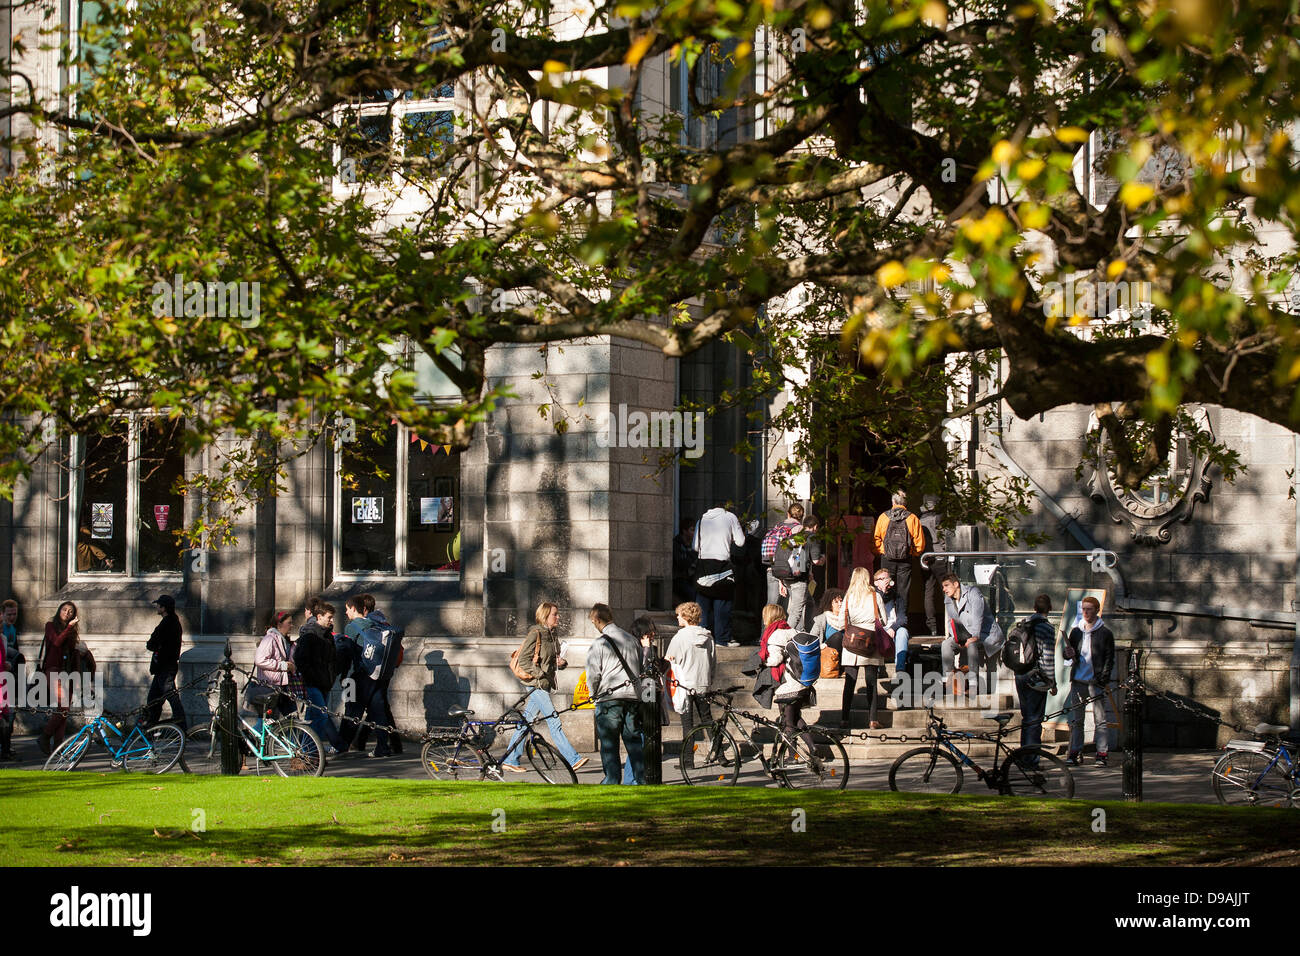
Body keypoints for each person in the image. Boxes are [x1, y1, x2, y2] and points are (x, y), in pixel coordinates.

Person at [500, 602, 588, 774]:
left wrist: (560, 663)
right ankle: (573, 759)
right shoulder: (536, 633)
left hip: (545, 684)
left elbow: (551, 660)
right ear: (545, 616)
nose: (558, 617)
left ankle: (510, 759)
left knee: (526, 722)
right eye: (555, 614)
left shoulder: (552, 634)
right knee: (554, 720)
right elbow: (524, 661)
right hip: (536, 684)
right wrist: (539, 673)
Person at [585, 603, 645, 784]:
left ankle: (611, 779)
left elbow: (593, 674)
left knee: (609, 743)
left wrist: (593, 694)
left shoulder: (600, 643)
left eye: (593, 621)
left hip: (609, 699)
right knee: (634, 742)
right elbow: (640, 669)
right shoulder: (632, 640)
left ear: (596, 620)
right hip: (632, 697)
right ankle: (641, 779)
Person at [1063, 596, 1116, 767]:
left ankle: (1102, 753)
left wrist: (1103, 679)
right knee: (1077, 720)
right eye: (1083, 609)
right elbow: (1068, 655)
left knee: (1100, 719)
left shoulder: (1105, 633)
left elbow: (1109, 659)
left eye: (1089, 609)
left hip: (1095, 681)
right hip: (1078, 681)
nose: (1085, 612)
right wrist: (1068, 653)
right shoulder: (1076, 631)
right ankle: (1075, 751)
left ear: (1096, 610)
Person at [338, 596, 392, 758]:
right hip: (376, 674)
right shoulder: (375, 624)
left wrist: (343, 675)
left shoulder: (351, 627)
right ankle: (383, 746)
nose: (346, 612)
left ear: (354, 608)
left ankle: (342, 745)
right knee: (378, 710)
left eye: (347, 609)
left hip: (359, 675)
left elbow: (347, 653)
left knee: (352, 709)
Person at [761, 604, 819, 749]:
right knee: (796, 717)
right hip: (801, 682)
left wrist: (762, 662)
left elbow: (775, 659)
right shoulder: (792, 630)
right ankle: (812, 747)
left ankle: (792, 755)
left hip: (788, 685)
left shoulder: (775, 634)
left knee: (788, 722)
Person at [665, 602, 715, 769]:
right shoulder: (708, 636)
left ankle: (688, 761)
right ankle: (720, 753)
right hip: (703, 683)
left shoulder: (679, 637)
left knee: (688, 725)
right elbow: (713, 661)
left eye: (679, 615)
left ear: (686, 617)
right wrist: (709, 679)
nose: (677, 617)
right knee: (708, 719)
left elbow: (669, 662)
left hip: (685, 685)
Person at [351, 594, 402, 754]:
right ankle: (366, 741)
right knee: (378, 707)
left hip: (371, 671)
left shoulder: (368, 625)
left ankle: (386, 743)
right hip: (385, 669)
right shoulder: (382, 621)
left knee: (377, 707)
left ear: (364, 609)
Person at [940, 573, 1005, 695]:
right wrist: (957, 638)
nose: (944, 589)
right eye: (943, 586)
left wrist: (974, 636)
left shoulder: (973, 592)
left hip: (985, 634)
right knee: (946, 644)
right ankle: (947, 682)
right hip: (964, 635)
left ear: (956, 584)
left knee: (972, 644)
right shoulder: (948, 600)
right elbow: (951, 622)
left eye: (946, 585)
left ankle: (973, 684)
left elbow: (978, 616)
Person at [692, 500, 745, 647]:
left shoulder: (702, 519)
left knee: (702, 603)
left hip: (703, 564)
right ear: (724, 508)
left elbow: (695, 546)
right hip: (722, 564)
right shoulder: (730, 517)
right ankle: (722, 639)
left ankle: (701, 638)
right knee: (723, 602)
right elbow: (741, 541)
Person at [294, 600, 344, 753]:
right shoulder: (310, 635)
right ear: (319, 616)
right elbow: (300, 659)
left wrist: (332, 674)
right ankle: (309, 751)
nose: (331, 620)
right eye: (329, 617)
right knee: (321, 717)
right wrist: (313, 676)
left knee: (312, 716)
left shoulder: (328, 636)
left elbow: (332, 659)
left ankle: (306, 750)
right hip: (313, 683)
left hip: (325, 683)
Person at [873, 491, 925, 630]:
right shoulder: (912, 518)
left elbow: (876, 539)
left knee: (884, 588)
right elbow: (919, 543)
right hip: (905, 560)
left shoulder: (883, 517)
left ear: (893, 502)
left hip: (887, 559)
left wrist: (881, 552)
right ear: (905, 503)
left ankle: (885, 623)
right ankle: (901, 624)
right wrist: (912, 553)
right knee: (903, 592)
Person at [841, 567, 885, 729]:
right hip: (870, 640)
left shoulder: (848, 597)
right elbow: (884, 620)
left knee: (849, 683)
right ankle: (873, 719)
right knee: (871, 682)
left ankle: (844, 718)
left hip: (852, 641)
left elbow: (841, 621)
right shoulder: (875, 596)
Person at [1016, 594, 1058, 759]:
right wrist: (1052, 683)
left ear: (1034, 608)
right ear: (1050, 608)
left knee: (1026, 717)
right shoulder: (1047, 628)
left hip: (1020, 674)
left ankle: (1022, 755)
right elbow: (1047, 658)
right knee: (1035, 719)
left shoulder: (1023, 624)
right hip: (1036, 677)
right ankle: (1031, 758)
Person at [36, 602, 81, 754]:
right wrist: (69, 628)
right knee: (63, 707)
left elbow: (73, 655)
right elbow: (56, 642)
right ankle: (45, 736)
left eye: (70, 611)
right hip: (53, 670)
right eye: (64, 610)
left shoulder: (71, 631)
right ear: (59, 611)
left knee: (63, 711)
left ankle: (58, 746)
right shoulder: (50, 625)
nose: (67, 613)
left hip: (66, 672)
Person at [143, 594, 187, 730]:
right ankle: (151, 728)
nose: (156, 607)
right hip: (164, 667)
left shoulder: (168, 623)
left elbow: (151, 643)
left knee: (170, 695)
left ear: (164, 608)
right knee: (153, 699)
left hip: (166, 666)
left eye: (159, 605)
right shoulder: (172, 622)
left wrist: (156, 646)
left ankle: (181, 726)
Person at [775, 512, 823, 632]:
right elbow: (816, 561)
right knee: (796, 612)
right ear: (815, 526)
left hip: (787, 577)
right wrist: (823, 558)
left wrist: (781, 582)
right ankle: (783, 639)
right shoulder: (812, 537)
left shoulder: (794, 537)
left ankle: (809, 633)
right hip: (799, 580)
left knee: (810, 604)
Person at [253, 611, 296, 729]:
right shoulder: (270, 639)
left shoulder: (284, 640)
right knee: (266, 722)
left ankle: (294, 745)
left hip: (282, 685)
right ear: (279, 624)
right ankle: (247, 742)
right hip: (270, 686)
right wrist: (283, 666)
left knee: (291, 718)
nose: (292, 626)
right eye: (289, 623)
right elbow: (260, 660)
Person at [763, 503, 804, 607]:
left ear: (788, 514)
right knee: (793, 606)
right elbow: (798, 552)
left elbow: (772, 549)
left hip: (771, 568)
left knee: (771, 605)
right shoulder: (799, 529)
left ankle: (766, 623)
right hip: (788, 572)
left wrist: (773, 565)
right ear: (802, 516)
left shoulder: (778, 526)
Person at [874, 568, 911, 678]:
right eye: (883, 578)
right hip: (878, 628)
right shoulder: (872, 596)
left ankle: (900, 669)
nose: (887, 580)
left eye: (888, 578)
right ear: (876, 582)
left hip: (893, 629)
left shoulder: (897, 597)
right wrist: (882, 592)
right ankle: (879, 667)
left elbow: (902, 618)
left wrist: (893, 628)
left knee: (903, 632)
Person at [917, 495, 945, 635]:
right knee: (946, 589)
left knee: (929, 592)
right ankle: (949, 623)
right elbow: (944, 538)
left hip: (925, 557)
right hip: (940, 556)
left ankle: (932, 627)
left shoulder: (919, 520)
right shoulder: (939, 518)